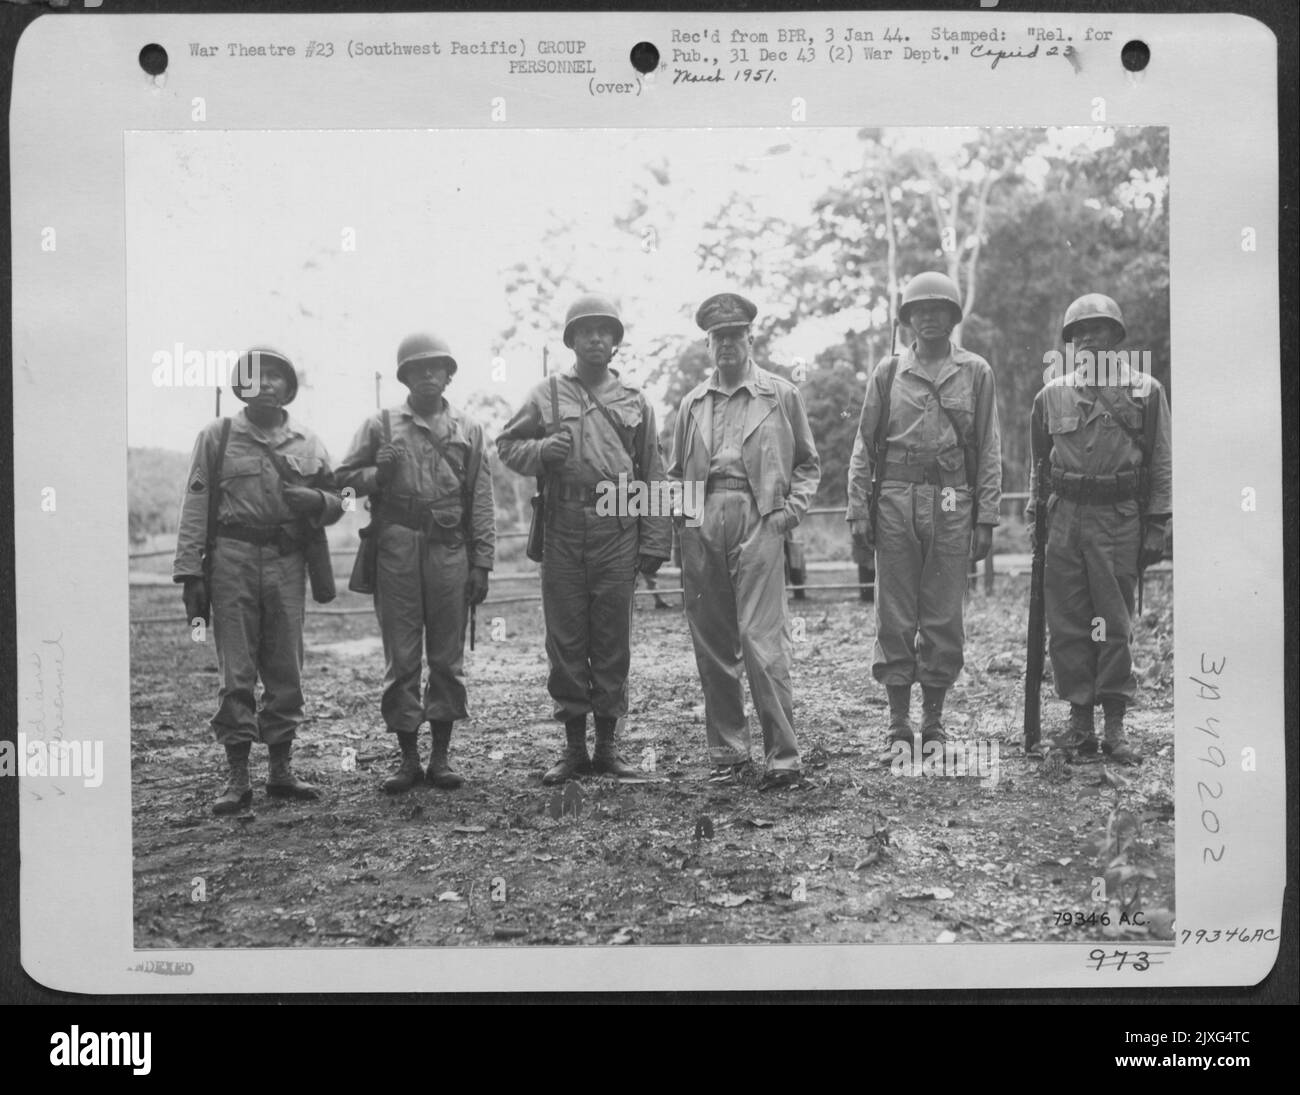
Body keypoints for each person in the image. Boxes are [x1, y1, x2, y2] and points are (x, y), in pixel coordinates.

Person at [497, 295, 671, 783]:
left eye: (605, 331)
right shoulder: (546, 394)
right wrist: (541, 451)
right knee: (567, 639)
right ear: (571, 341)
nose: (596, 339)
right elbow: (507, 446)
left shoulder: (635, 401)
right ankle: (574, 748)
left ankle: (608, 748)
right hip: (563, 524)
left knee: (613, 638)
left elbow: (652, 473)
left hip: (618, 522)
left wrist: (655, 540)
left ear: (616, 342)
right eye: (585, 331)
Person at [173, 348, 344, 814]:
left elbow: (340, 496)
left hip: (289, 561)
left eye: (275, 377)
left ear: (289, 387)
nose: (266, 383)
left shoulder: (309, 442)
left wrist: (320, 501)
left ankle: (281, 771)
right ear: (242, 387)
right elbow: (195, 503)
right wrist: (190, 571)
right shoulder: (218, 435)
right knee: (238, 670)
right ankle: (237, 777)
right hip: (232, 561)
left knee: (286, 666)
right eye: (256, 377)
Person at [668, 292, 821, 791]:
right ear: (708, 345)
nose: (727, 344)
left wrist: (787, 514)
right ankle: (729, 754)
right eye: (718, 337)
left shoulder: (780, 394)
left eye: (736, 335)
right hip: (704, 518)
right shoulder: (692, 404)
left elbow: (807, 464)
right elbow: (674, 475)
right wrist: (683, 524)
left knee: (762, 640)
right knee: (713, 641)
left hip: (760, 517)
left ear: (751, 338)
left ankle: (783, 756)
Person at [846, 273, 1001, 759]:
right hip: (894, 495)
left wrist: (987, 517)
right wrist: (857, 511)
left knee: (942, 613)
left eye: (939, 310)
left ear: (953, 318)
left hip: (953, 497)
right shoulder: (888, 373)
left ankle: (934, 720)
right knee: (893, 613)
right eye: (920, 310)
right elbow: (863, 446)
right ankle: (897, 722)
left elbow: (989, 448)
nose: (929, 318)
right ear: (907, 319)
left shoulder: (975, 371)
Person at [336, 333, 495, 793]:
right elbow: (342, 486)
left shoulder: (469, 429)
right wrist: (375, 474)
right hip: (396, 548)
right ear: (404, 376)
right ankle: (407, 760)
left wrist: (481, 561)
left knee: (447, 658)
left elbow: (480, 500)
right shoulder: (379, 425)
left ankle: (440, 759)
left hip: (450, 549)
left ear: (449, 375)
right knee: (402, 658)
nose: (428, 376)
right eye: (418, 369)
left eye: (437, 368)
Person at [1028, 294, 1171, 764]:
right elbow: (1039, 465)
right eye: (1080, 333)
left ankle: (1114, 726)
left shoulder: (1145, 391)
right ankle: (1079, 724)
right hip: (1065, 517)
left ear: (1116, 337)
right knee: (1069, 624)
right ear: (1070, 343)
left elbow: (1162, 462)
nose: (1089, 338)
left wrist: (1157, 525)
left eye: (1099, 330)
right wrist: (1036, 517)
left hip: (1118, 519)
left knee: (1112, 623)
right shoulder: (1051, 395)